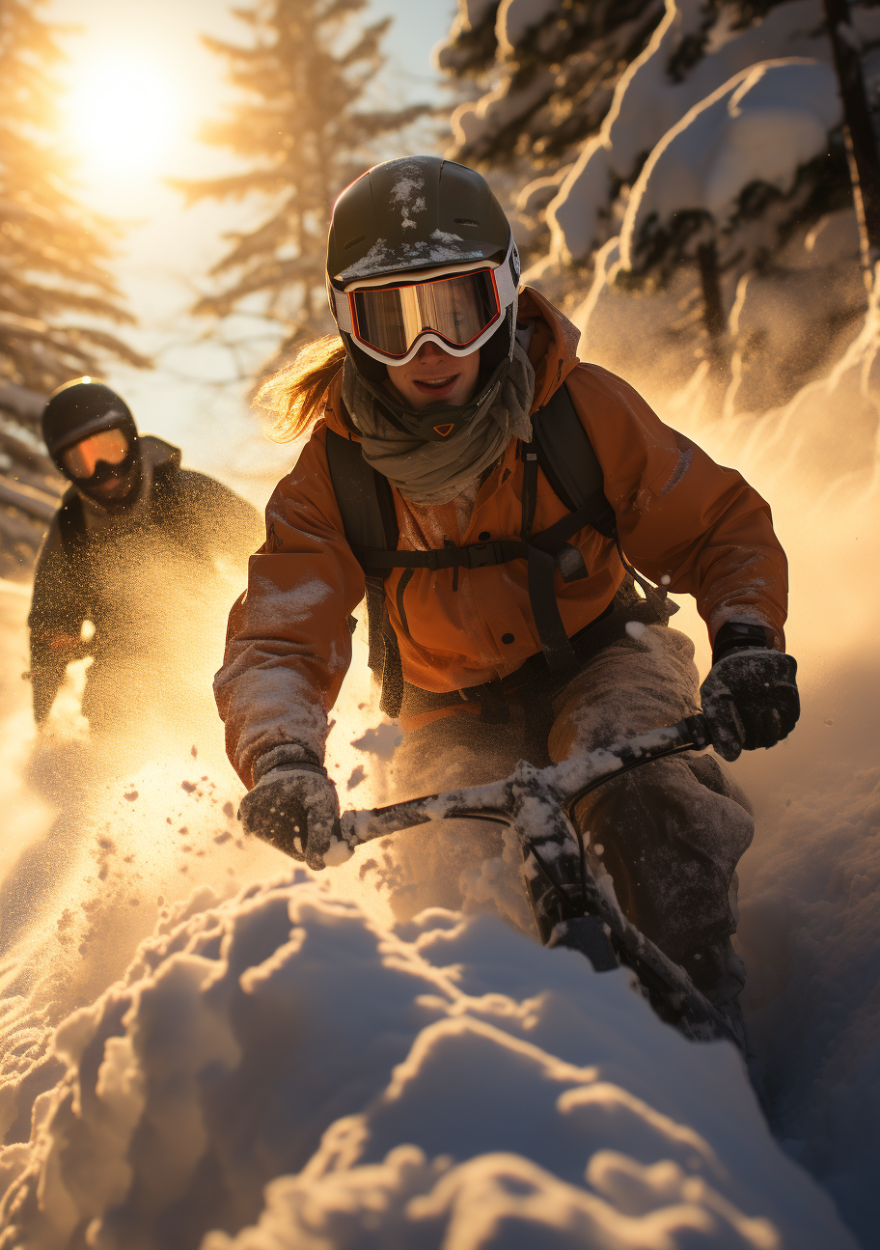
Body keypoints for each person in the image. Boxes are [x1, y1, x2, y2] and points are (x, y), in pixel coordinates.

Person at [215, 156, 799, 1027]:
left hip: (605, 658)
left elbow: (715, 526)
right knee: (457, 868)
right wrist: (284, 757)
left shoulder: (578, 413)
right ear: (349, 326)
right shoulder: (335, 475)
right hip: (446, 713)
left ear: (505, 295)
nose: (431, 352)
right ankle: (507, 1046)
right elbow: (279, 634)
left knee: (630, 775)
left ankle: (701, 1007)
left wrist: (747, 640)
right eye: (392, 321)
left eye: (459, 309)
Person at [29, 378, 263, 738]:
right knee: (110, 706)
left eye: (110, 449)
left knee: (227, 710)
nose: (102, 470)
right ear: (66, 469)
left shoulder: (182, 493)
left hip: (207, 647)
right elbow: (51, 622)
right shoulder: (73, 531)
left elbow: (265, 549)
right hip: (120, 674)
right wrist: (43, 718)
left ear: (131, 439)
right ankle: (109, 769)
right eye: (82, 462)